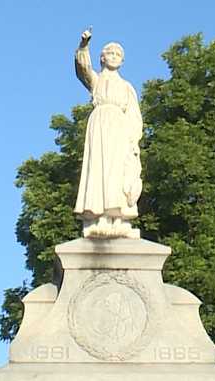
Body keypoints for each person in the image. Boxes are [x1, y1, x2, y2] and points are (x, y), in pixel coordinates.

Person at [73, 28, 143, 239]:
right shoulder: (97, 80)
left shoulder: (126, 86)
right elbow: (82, 69)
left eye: (118, 55)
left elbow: (134, 116)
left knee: (118, 172)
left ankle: (119, 219)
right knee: (99, 169)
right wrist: (84, 45)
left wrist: (133, 142)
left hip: (120, 130)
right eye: (110, 53)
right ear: (102, 58)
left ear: (122, 61)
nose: (114, 57)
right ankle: (99, 217)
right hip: (100, 125)